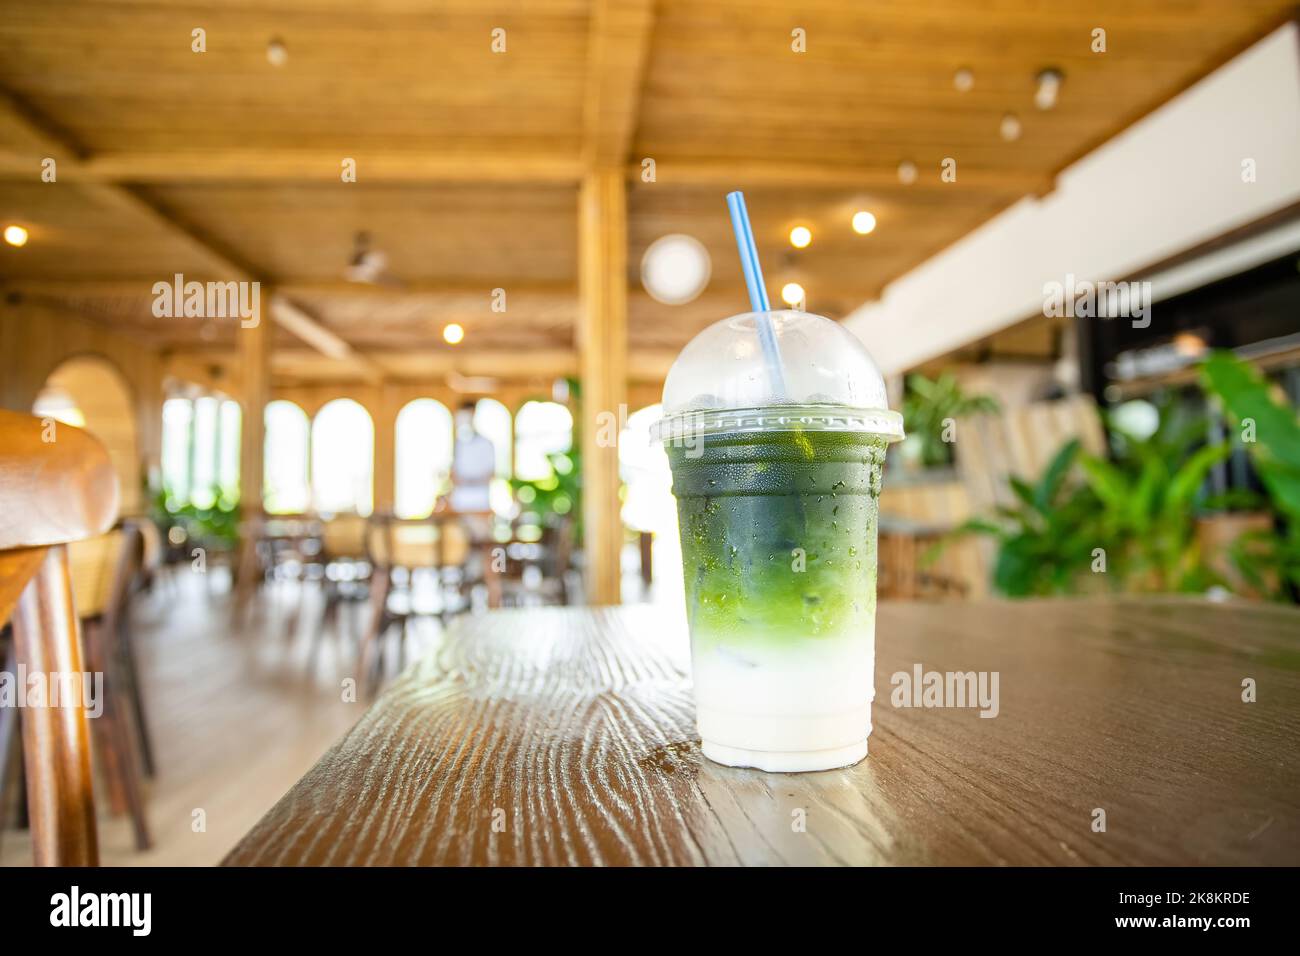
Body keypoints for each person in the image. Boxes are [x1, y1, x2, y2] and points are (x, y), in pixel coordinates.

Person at [448, 400, 495, 515]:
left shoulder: (486, 444)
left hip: (480, 500)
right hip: (460, 500)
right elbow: (452, 471)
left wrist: (473, 481)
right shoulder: (457, 444)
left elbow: (491, 473)